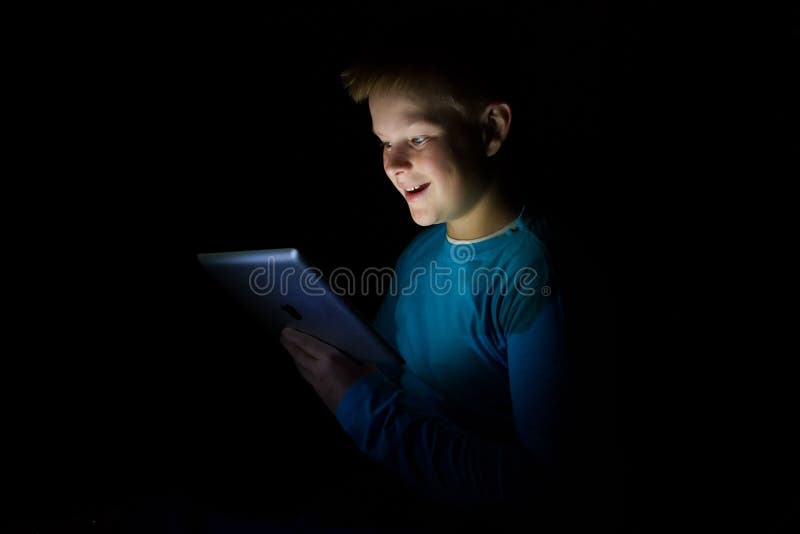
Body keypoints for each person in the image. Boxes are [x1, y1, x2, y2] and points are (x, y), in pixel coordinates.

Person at [278, 44, 571, 527]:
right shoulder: (422, 251)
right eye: (383, 142)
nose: (393, 164)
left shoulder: (536, 278)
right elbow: (390, 370)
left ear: (491, 129)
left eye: (416, 138)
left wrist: (360, 405)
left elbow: (545, 489)